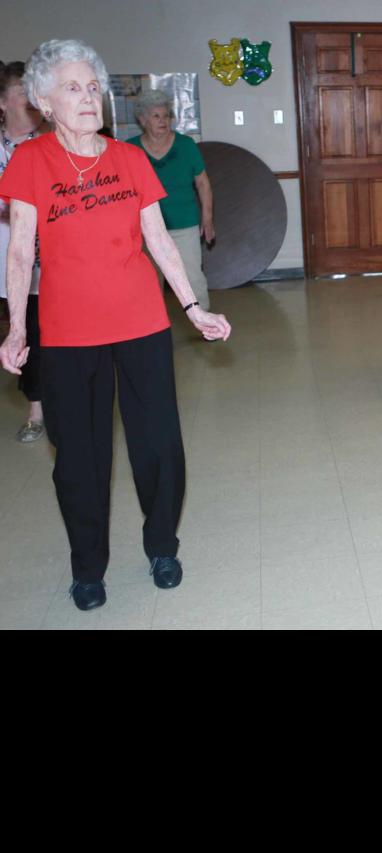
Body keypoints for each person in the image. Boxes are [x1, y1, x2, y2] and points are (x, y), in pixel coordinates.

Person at [0, 38, 231, 612]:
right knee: (79, 457)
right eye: (72, 88)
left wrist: (193, 307)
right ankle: (87, 567)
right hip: (68, 332)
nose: (88, 97)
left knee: (160, 445)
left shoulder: (129, 159)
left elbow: (159, 239)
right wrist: (17, 328)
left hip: (141, 323)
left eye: (93, 87)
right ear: (44, 102)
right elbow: (21, 251)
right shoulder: (30, 161)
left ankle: (163, 546)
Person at [127, 87, 215, 333]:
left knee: (192, 276)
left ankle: (205, 323)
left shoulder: (186, 145)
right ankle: (151, 328)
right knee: (148, 280)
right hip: (145, 229)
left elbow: (203, 183)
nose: (163, 121)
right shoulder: (130, 150)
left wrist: (207, 218)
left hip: (184, 224)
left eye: (166, 115)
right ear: (142, 120)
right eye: (156, 116)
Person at [0, 59, 47, 443]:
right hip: (2, 254)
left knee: (35, 334)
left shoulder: (49, 145)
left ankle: (38, 411)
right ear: (2, 102)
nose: (30, 99)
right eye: (21, 91)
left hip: (40, 264)